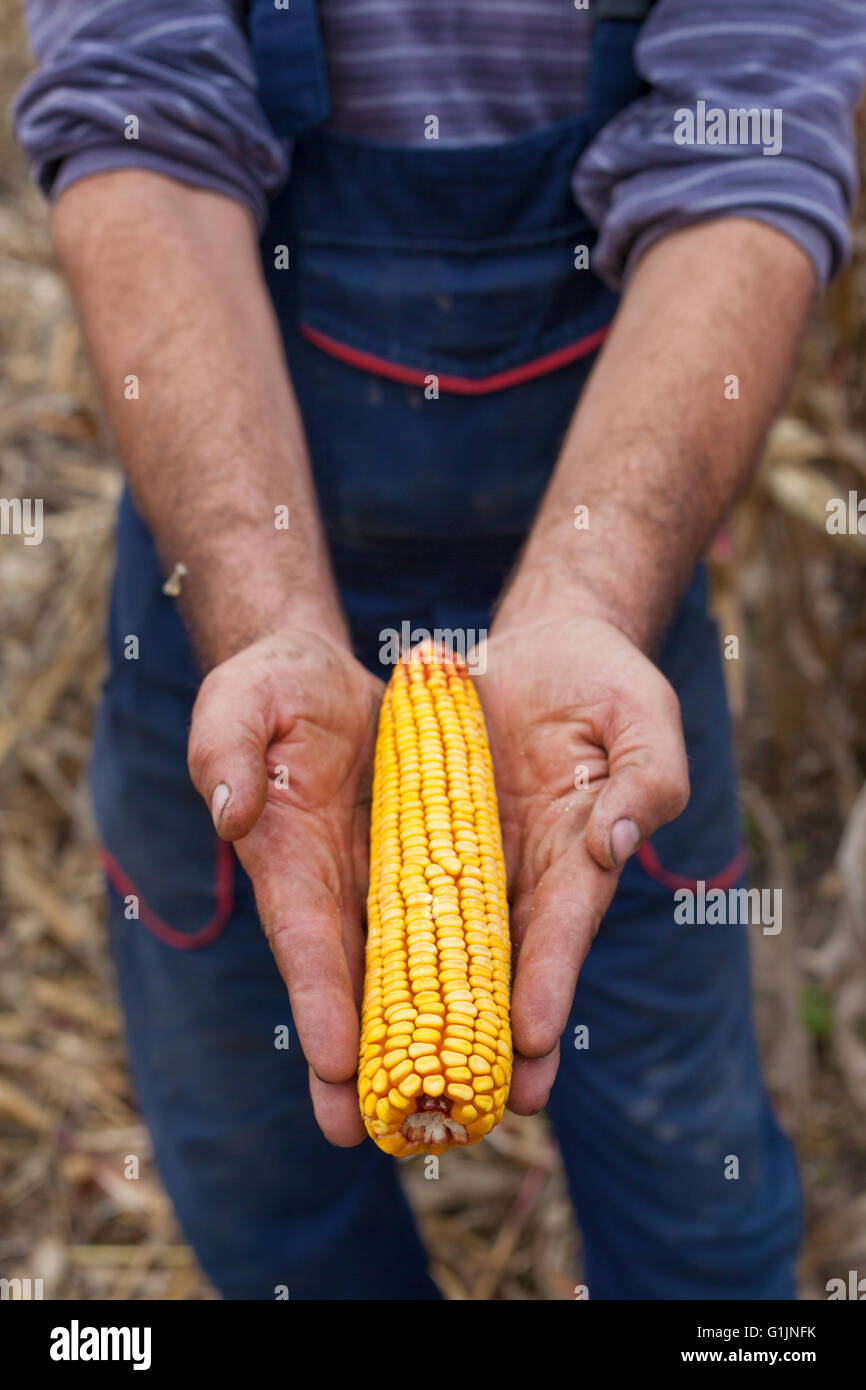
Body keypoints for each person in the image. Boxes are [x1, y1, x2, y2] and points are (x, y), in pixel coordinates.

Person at [13, 0, 866, 1299]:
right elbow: (145, 130)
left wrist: (587, 595)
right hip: (229, 586)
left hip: (607, 621)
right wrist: (269, 617)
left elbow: (740, 151)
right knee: (269, 1195)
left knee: (694, 1205)